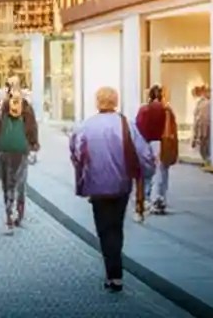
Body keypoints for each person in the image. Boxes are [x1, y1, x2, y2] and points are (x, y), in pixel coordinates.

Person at [69, 86, 154, 293]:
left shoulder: (87, 126)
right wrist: (147, 173)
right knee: (117, 226)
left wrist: (83, 174)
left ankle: (112, 273)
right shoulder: (126, 124)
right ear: (115, 101)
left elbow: (76, 152)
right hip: (121, 185)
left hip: (97, 186)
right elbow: (144, 153)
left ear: (97, 102)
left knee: (104, 228)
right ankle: (116, 272)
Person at [0, 80, 39, 234]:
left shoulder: (2, 106)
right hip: (21, 151)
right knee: (20, 183)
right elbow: (32, 127)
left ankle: (8, 217)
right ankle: (19, 214)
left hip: (4, 150)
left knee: (7, 184)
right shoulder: (27, 107)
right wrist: (33, 145)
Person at [135, 85, 177, 215]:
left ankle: (146, 198)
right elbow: (173, 130)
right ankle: (158, 199)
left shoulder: (143, 110)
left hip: (145, 144)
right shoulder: (167, 110)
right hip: (161, 143)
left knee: (147, 172)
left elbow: (138, 128)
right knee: (161, 172)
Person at [192, 86, 212, 165]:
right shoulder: (201, 102)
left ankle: (206, 158)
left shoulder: (208, 102)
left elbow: (196, 115)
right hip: (202, 125)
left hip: (206, 125)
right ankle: (205, 159)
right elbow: (196, 115)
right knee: (203, 142)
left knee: (205, 142)